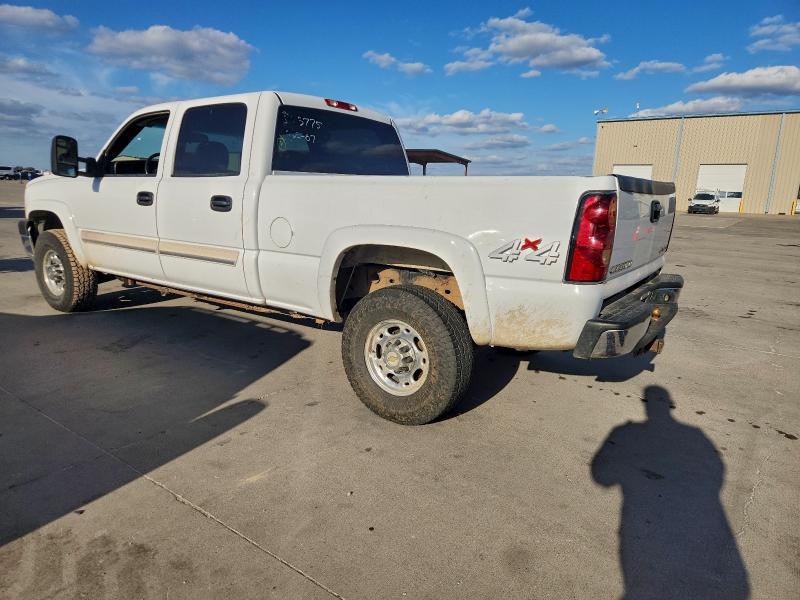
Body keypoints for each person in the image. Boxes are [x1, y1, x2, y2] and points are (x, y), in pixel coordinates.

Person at [591, 385, 749, 599]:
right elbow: (717, 474)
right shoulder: (696, 435)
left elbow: (602, 476)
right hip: (697, 526)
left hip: (640, 527)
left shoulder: (627, 432)